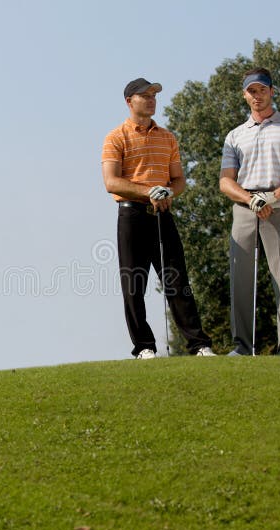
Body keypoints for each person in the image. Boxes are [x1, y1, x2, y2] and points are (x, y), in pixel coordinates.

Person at [102, 78, 215, 359]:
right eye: (145, 96)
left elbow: (179, 180)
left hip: (162, 214)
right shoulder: (116, 137)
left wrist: (167, 192)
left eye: (154, 95)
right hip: (132, 214)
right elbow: (111, 182)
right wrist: (147, 191)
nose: (152, 100)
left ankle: (198, 344)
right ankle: (144, 346)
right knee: (134, 284)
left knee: (177, 281)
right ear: (130, 101)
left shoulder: (167, 137)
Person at [219, 67, 280, 357]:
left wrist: (274, 195)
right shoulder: (235, 135)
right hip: (245, 206)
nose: (256, 96)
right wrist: (250, 199)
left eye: (261, 90)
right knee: (241, 277)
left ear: (272, 92)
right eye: (251, 91)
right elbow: (225, 181)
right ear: (244, 95)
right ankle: (242, 346)